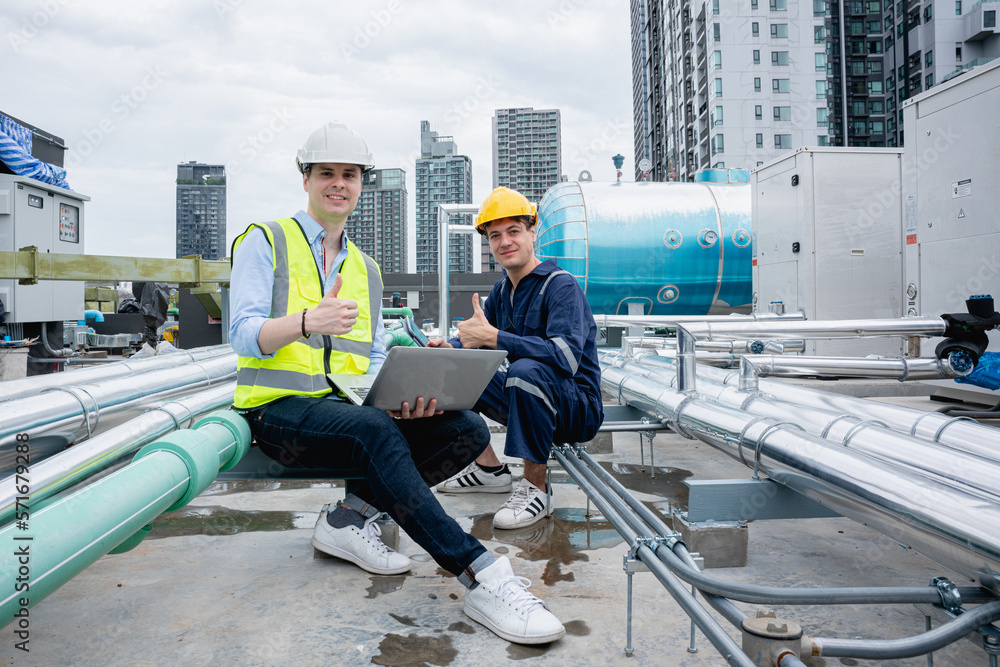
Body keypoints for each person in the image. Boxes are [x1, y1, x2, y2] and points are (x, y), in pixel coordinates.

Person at [228, 123, 564, 644]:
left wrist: (403, 391)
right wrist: (305, 322)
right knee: (373, 432)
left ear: (361, 183)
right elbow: (242, 335)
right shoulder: (265, 240)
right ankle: (481, 574)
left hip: (349, 410)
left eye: (350, 175)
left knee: (466, 431)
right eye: (326, 173)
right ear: (306, 180)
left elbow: (375, 352)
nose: (339, 183)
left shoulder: (365, 268)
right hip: (278, 411)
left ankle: (349, 518)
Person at [432, 187, 604, 530]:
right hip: (531, 400)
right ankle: (490, 469)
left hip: (575, 407)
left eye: (514, 231)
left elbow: (565, 358)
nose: (505, 242)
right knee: (453, 370)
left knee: (525, 372)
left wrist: (494, 337)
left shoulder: (560, 286)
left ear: (532, 233)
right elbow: (477, 339)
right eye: (495, 235)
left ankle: (536, 487)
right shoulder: (501, 291)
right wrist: (451, 348)